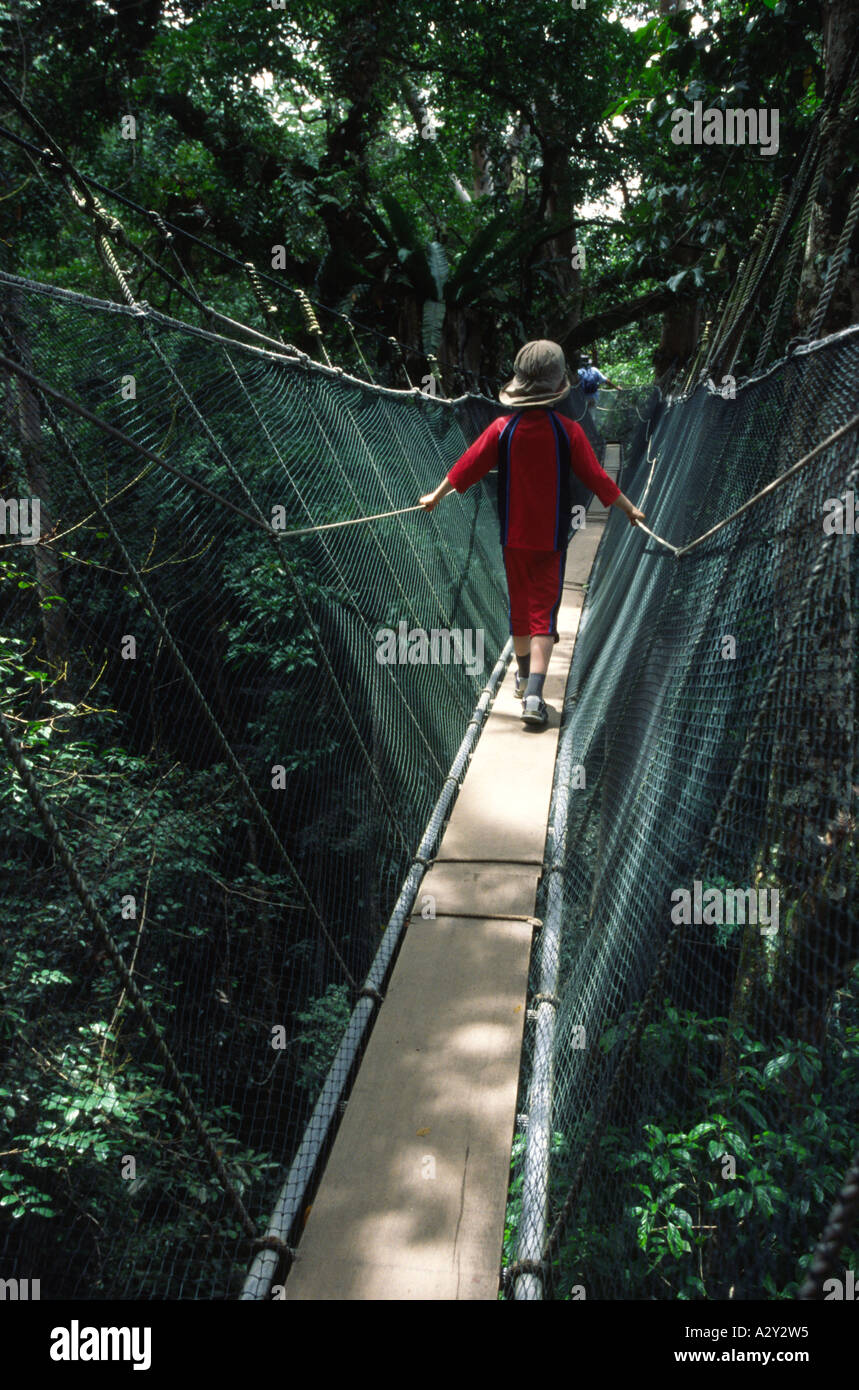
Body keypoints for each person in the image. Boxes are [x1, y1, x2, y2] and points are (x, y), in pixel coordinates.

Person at [419, 340, 645, 727]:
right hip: (551, 542)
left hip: (512, 540)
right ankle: (536, 697)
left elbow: (466, 467)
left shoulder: (502, 429)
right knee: (544, 617)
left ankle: (523, 680)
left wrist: (435, 496)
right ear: (558, 388)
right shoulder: (568, 432)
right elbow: (597, 477)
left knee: (520, 612)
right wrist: (629, 509)